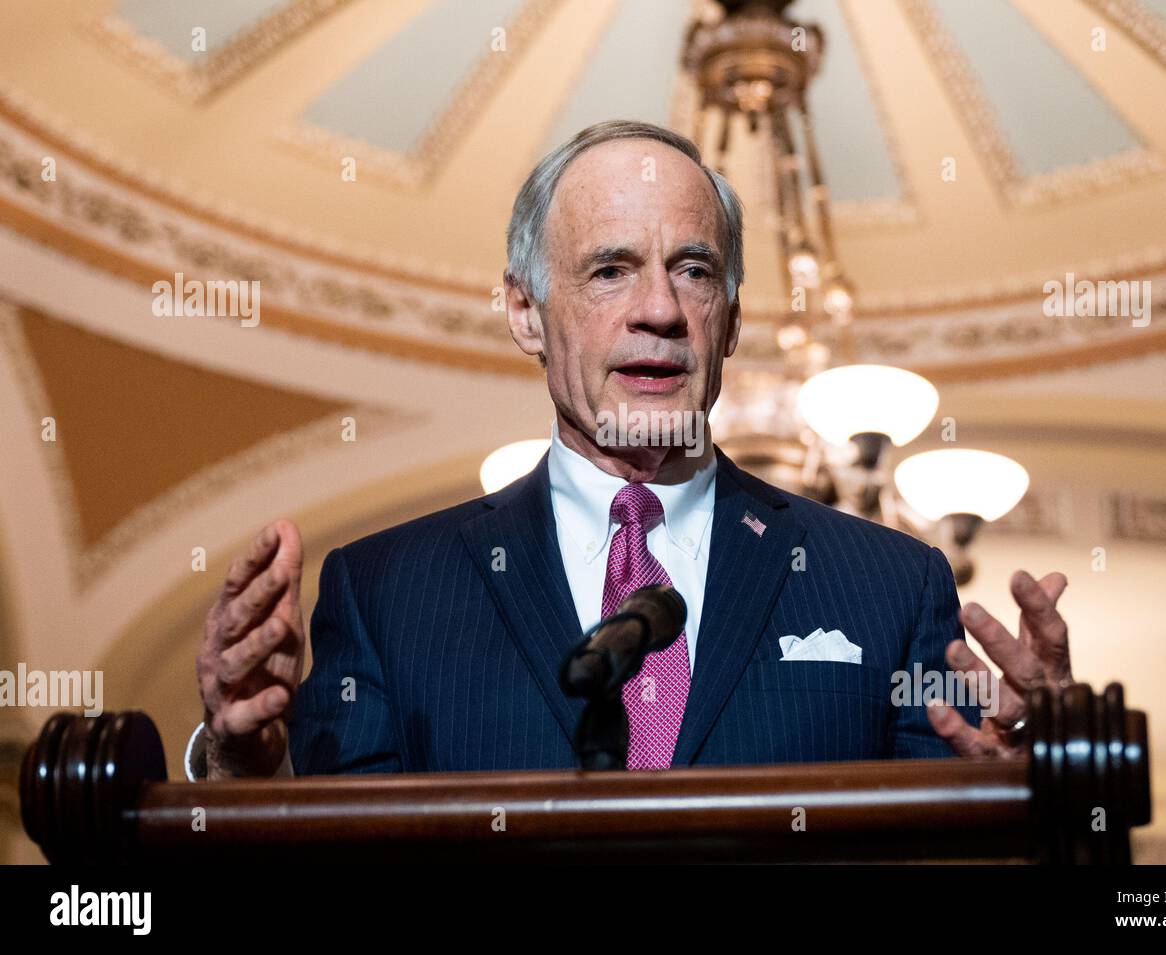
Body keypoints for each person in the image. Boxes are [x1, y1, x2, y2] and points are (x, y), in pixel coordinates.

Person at [188, 120, 1073, 781]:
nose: (659, 308)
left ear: (731, 318)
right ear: (525, 311)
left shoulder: (892, 586)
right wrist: (240, 765)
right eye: (610, 270)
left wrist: (1025, 771)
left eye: (693, 270)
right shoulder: (385, 593)